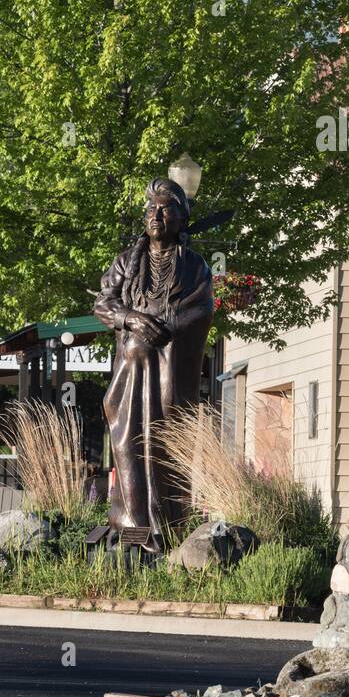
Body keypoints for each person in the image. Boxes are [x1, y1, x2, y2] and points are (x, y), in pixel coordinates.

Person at [94, 178, 213, 548]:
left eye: (165, 208)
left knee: (164, 447)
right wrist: (132, 319)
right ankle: (131, 525)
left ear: (181, 217)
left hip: (169, 377)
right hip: (130, 377)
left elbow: (201, 309)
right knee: (128, 443)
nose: (156, 215)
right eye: (151, 208)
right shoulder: (127, 261)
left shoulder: (194, 266)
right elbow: (103, 303)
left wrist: (162, 327)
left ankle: (169, 527)